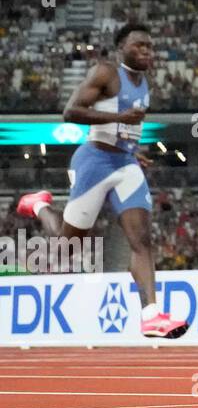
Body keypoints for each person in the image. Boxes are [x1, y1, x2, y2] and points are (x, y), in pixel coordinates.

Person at [16, 24, 188, 338]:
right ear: (122, 47)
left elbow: (127, 131)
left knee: (142, 240)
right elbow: (71, 112)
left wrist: (134, 151)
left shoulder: (145, 83)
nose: (146, 51)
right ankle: (40, 206)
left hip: (125, 164)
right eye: (139, 45)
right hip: (94, 162)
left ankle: (151, 315)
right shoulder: (106, 73)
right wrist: (118, 119)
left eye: (150, 46)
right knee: (66, 249)